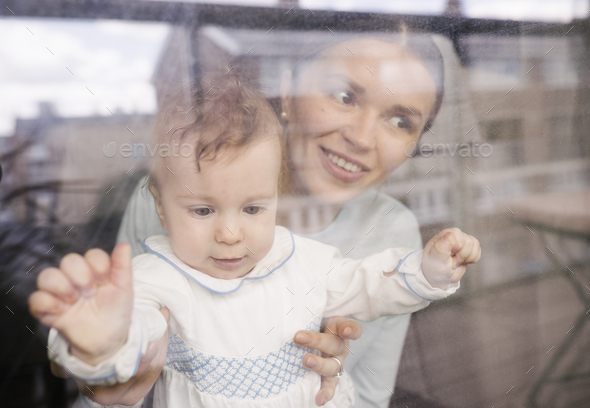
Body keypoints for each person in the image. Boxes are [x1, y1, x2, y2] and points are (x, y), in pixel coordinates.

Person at [29, 65, 480, 408]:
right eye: (203, 210)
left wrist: (429, 269)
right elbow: (134, 336)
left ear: (275, 198)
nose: (229, 233)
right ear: (161, 208)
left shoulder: (300, 259)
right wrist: (104, 341)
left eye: (253, 208)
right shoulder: (154, 278)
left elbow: (370, 282)